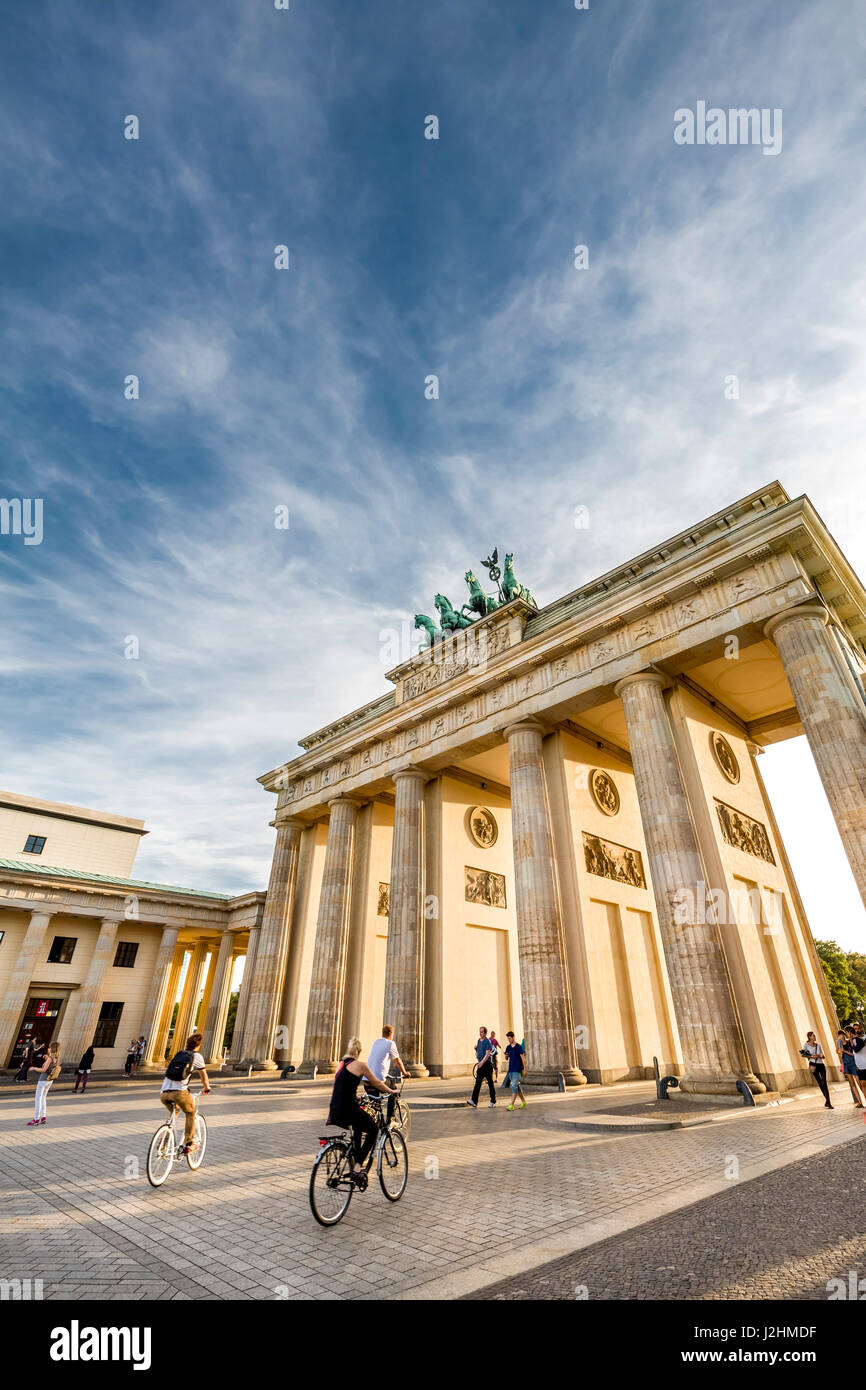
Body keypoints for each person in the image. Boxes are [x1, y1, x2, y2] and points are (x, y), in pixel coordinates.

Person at [327, 1037, 396, 1183]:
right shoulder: (360, 1065)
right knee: (374, 1129)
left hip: (334, 1109)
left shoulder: (341, 1064)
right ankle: (358, 1168)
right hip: (348, 1109)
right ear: (358, 1051)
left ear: (348, 1049)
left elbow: (342, 1086)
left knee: (359, 1124)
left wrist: (356, 1097)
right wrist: (391, 1091)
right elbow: (376, 1082)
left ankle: (355, 1158)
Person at [159, 1031, 210, 1153]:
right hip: (179, 1093)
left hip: (164, 1093)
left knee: (174, 1112)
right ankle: (189, 1143)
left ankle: (163, 1143)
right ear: (198, 1045)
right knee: (190, 1112)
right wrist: (207, 1087)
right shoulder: (197, 1056)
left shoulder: (179, 1054)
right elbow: (203, 1076)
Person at [26, 1042, 61, 1126]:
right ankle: (43, 1117)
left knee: (38, 1099)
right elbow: (50, 1068)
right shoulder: (56, 1057)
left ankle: (36, 1119)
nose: (48, 1048)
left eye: (49, 1047)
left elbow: (44, 1070)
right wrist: (46, 1059)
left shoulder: (50, 1057)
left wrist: (34, 1068)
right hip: (49, 1081)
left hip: (43, 1080)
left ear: (52, 1048)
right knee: (43, 1098)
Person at [801, 1031, 832, 1108]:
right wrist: (811, 1056)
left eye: (814, 1035)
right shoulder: (806, 1045)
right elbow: (803, 1054)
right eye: (813, 1035)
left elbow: (823, 1056)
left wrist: (818, 1056)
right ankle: (827, 1101)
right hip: (812, 1065)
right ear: (809, 1037)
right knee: (820, 1083)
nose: (815, 1036)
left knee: (824, 1082)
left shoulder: (818, 1045)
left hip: (820, 1064)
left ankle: (828, 1102)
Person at [468, 1026, 497, 1108]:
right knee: (477, 1083)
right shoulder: (479, 1040)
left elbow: (488, 1054)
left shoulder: (487, 1041)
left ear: (485, 1033)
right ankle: (474, 1101)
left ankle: (493, 1101)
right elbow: (479, 1053)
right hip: (480, 1064)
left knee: (490, 1083)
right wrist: (476, 1049)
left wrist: (481, 1062)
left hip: (487, 1065)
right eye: (479, 1031)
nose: (480, 1033)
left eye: (482, 1032)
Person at [836, 1025, 865, 1107]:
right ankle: (860, 1102)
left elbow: (854, 1054)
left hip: (853, 1064)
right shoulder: (839, 1043)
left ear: (844, 1035)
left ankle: (865, 1099)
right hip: (846, 1064)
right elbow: (837, 1051)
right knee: (853, 1085)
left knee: (860, 1083)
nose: (840, 1037)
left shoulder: (850, 1042)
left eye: (841, 1035)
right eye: (839, 1036)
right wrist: (839, 1052)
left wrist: (845, 1051)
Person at [503, 1031, 527, 1111]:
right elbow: (506, 1058)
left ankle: (511, 1105)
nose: (509, 1040)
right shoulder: (508, 1047)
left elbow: (523, 1059)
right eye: (508, 1038)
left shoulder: (518, 1047)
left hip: (517, 1069)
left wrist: (524, 1069)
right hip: (511, 1070)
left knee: (513, 1086)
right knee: (517, 1087)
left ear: (513, 1037)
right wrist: (506, 1056)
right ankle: (523, 1102)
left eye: (509, 1038)